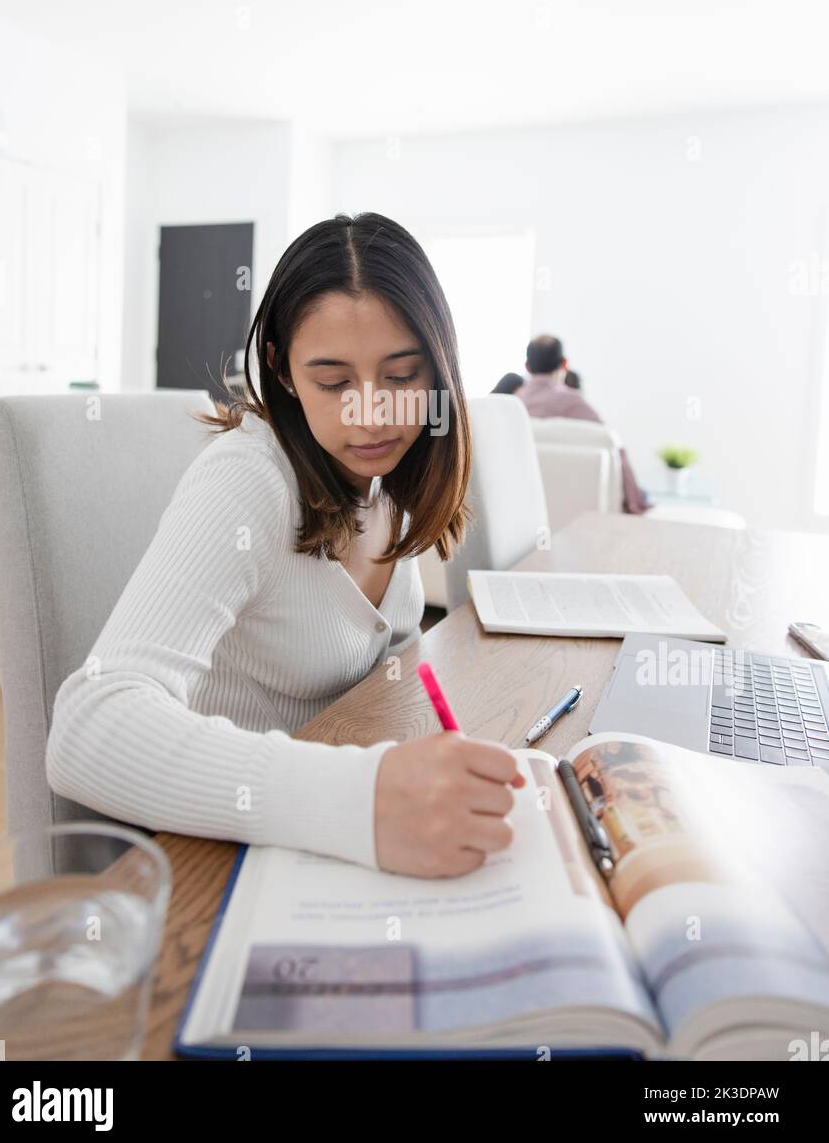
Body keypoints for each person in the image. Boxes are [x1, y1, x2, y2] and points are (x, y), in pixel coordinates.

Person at [47, 213, 525, 880]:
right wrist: (360, 797)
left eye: (401, 376)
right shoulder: (249, 479)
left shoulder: (383, 481)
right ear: (281, 368)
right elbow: (87, 732)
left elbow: (383, 670)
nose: (370, 414)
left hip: (322, 844)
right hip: (221, 859)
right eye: (332, 382)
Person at [517, 334, 651, 514]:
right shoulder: (573, 402)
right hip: (582, 508)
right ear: (564, 364)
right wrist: (635, 501)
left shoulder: (513, 405)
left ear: (527, 366)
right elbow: (612, 444)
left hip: (526, 504)